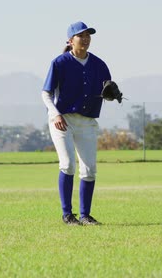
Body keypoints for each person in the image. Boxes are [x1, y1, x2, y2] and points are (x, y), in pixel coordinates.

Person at [41, 21, 113, 226]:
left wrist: (111, 93)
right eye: (81, 35)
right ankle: (67, 215)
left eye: (88, 35)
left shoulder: (99, 65)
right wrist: (55, 115)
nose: (86, 38)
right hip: (62, 120)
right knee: (68, 164)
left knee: (89, 169)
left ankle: (85, 215)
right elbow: (45, 93)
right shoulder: (60, 63)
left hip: (87, 121)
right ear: (70, 40)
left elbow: (107, 88)